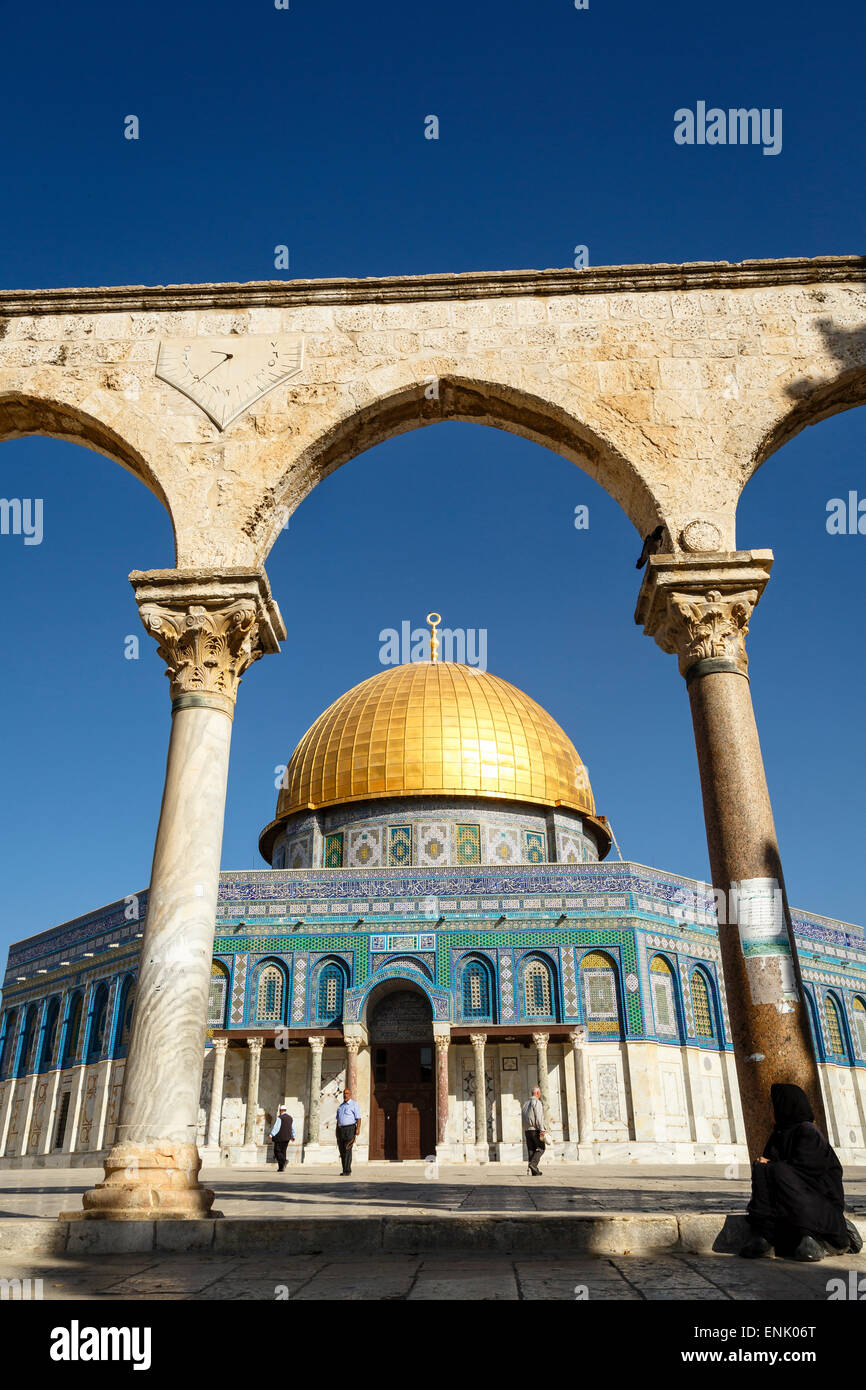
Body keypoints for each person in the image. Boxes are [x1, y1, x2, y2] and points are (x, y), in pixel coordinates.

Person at [741, 1082, 863, 1262]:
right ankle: (766, 1236)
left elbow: (807, 1171)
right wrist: (765, 1165)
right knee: (762, 1170)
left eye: (772, 1106)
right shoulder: (778, 1135)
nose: (769, 1110)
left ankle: (813, 1237)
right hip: (789, 1206)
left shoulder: (808, 1132)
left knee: (779, 1171)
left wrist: (773, 1166)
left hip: (819, 1207)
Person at [335, 1087, 362, 1175]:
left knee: (347, 1148)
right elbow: (338, 1119)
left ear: (350, 1095)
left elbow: (358, 1118)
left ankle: (348, 1170)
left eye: (346, 1093)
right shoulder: (340, 1106)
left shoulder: (354, 1105)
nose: (345, 1095)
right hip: (340, 1130)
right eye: (344, 1094)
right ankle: (344, 1170)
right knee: (342, 1150)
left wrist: (358, 1129)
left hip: (350, 1129)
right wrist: (336, 1130)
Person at [522, 1085, 547, 1176]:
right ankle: (533, 1164)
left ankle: (534, 1171)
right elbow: (539, 1117)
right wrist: (542, 1129)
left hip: (527, 1130)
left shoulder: (525, 1103)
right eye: (539, 1093)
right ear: (537, 1093)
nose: (540, 1094)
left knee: (531, 1149)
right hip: (535, 1129)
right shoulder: (537, 1102)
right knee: (541, 1148)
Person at [269, 1106, 295, 1173]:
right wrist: (293, 1136)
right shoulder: (290, 1118)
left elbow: (276, 1128)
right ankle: (281, 1168)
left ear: (281, 1110)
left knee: (277, 1151)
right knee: (283, 1152)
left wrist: (271, 1134)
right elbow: (292, 1128)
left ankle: (284, 1161)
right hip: (287, 1138)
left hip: (279, 1137)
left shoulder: (280, 1118)